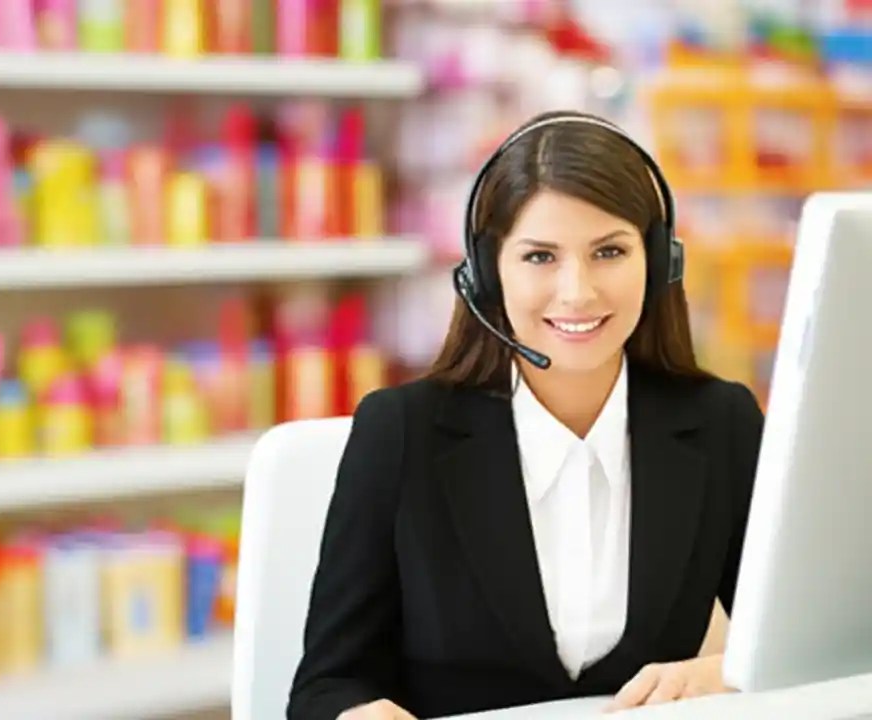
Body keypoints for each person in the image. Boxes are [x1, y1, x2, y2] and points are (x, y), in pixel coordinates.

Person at [286, 111, 766, 720]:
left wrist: (732, 672)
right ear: (487, 276)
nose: (578, 292)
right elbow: (326, 687)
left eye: (609, 252)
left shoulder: (721, 424)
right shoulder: (401, 433)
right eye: (540, 257)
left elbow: (800, 643)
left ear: (657, 260)